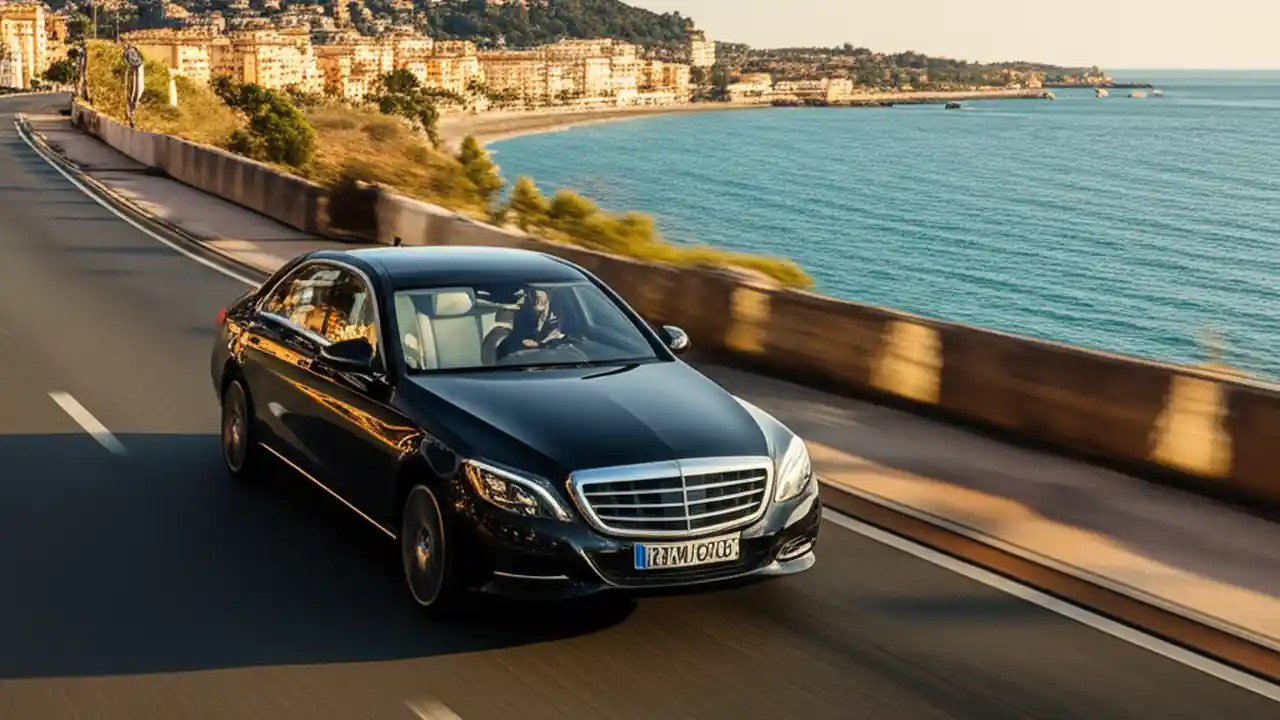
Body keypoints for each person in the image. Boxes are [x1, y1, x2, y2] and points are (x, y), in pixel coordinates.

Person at [496, 287, 564, 360]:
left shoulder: (559, 307)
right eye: (533, 293)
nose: (537, 296)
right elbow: (501, 333)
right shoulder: (513, 308)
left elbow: (561, 336)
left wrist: (543, 343)